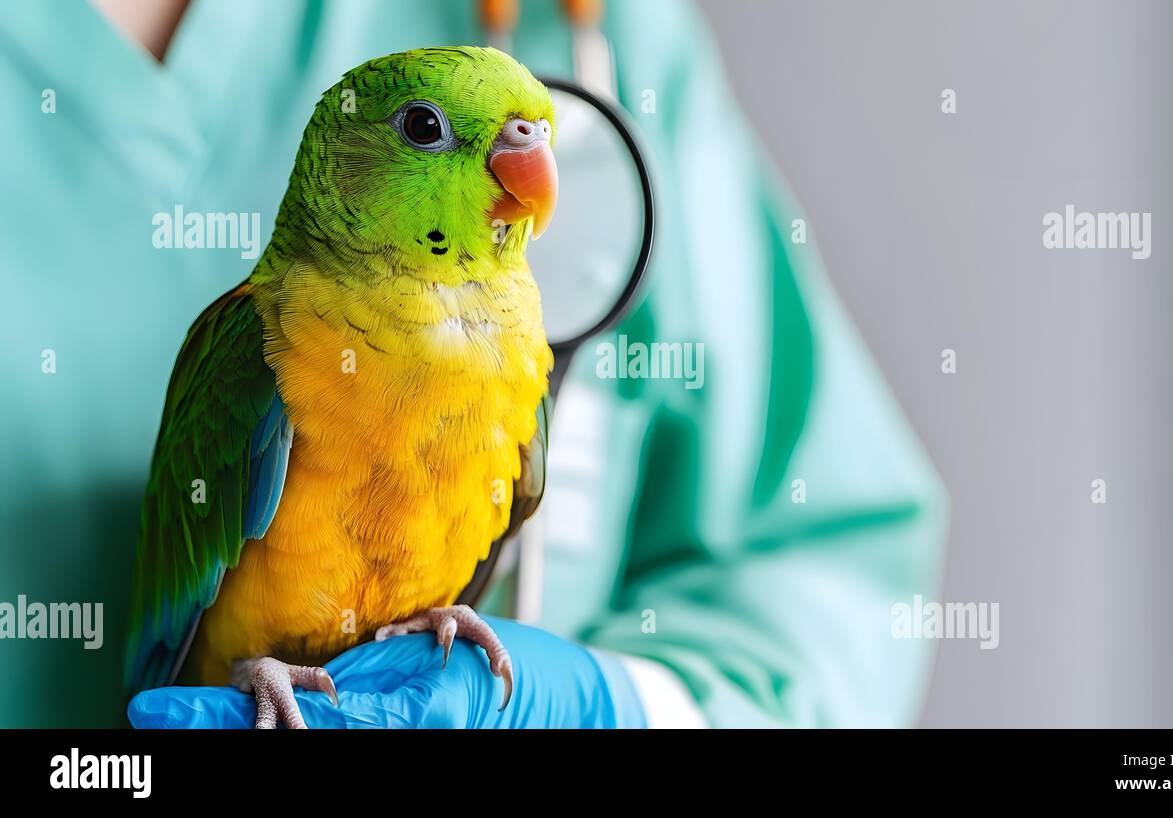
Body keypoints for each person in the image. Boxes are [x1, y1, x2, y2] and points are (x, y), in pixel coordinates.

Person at [0, 0, 946, 728]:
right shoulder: (257, 344)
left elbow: (822, 555)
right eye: (427, 131)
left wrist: (613, 704)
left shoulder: (596, 33)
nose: (527, 157)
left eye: (538, 131)